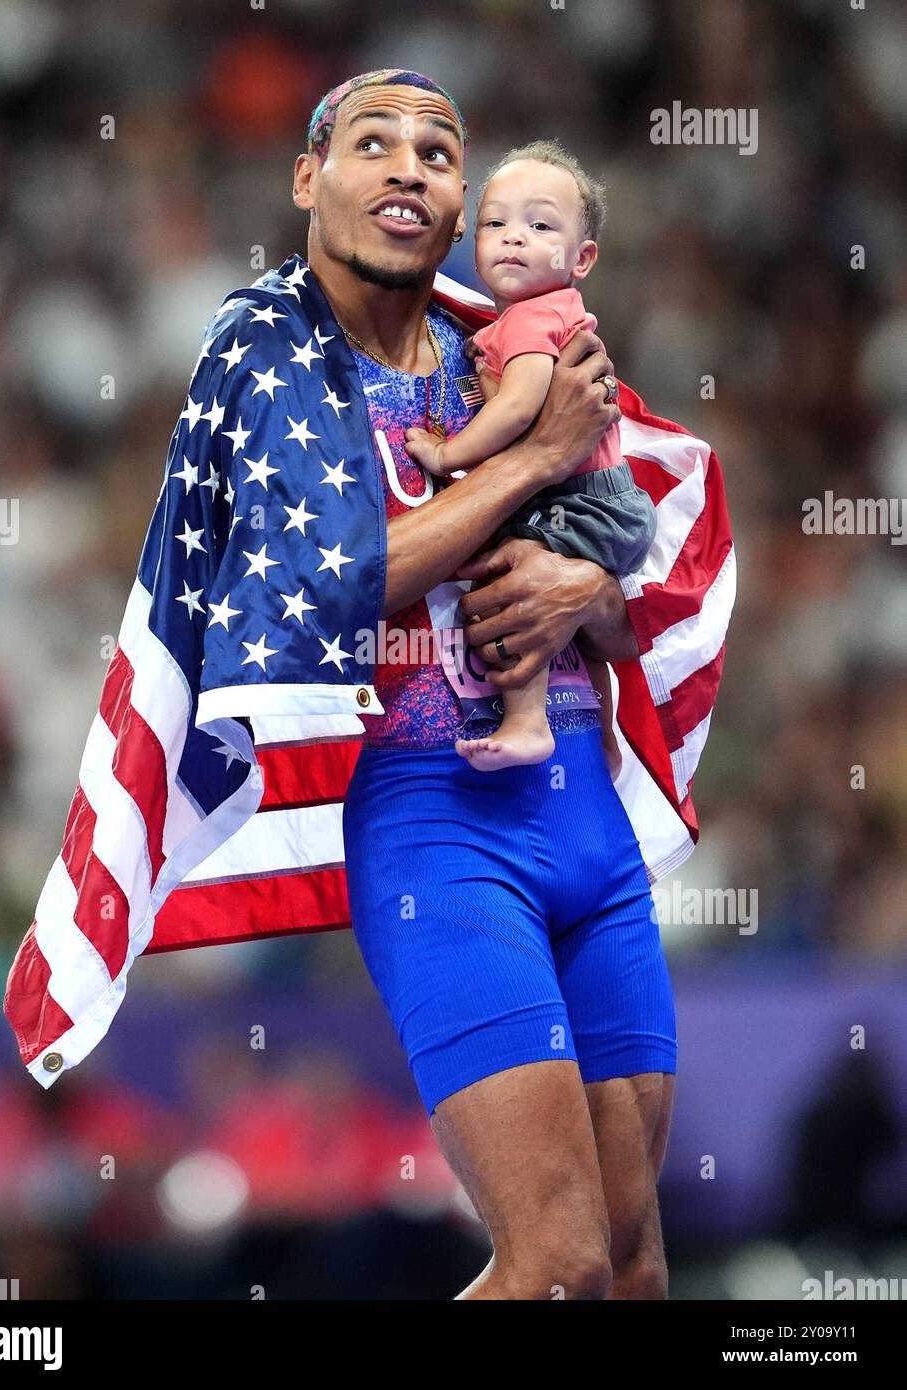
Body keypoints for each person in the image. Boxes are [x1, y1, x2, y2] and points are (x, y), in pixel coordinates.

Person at [294, 69, 677, 1300]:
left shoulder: (527, 344)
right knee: (555, 1266)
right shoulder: (281, 370)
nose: (410, 170)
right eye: (374, 144)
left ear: (464, 210)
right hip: (439, 821)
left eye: (439, 155)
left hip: (587, 821)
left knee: (630, 1268)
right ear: (310, 179)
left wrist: (586, 593)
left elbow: (630, 624)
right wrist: (534, 464)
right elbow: (338, 588)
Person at [404, 140, 655, 772]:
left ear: (582, 256)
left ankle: (525, 719)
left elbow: (518, 410)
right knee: (569, 623)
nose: (513, 238)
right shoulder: (534, 318)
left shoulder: (529, 322)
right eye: (497, 223)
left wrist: (446, 453)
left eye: (540, 225)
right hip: (605, 504)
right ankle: (600, 735)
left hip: (580, 505)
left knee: (515, 583)